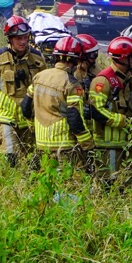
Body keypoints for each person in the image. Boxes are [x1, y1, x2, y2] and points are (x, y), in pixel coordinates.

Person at [0, 15, 43, 169]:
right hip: (5, 118)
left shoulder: (37, 59)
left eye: (25, 37)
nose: (23, 41)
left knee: (33, 162)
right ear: (9, 38)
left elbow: (44, 92)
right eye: (18, 38)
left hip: (30, 120)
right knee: (11, 155)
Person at [31, 35, 95, 171]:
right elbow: (74, 118)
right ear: (76, 60)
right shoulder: (71, 84)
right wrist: (88, 144)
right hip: (63, 145)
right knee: (66, 181)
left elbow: (26, 106)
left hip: (41, 143)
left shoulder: (39, 76)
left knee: (46, 178)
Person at [87, 35, 132, 177]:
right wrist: (126, 122)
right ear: (123, 59)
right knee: (109, 183)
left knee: (130, 181)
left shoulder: (130, 78)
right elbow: (97, 111)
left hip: (126, 144)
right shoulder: (103, 81)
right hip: (108, 145)